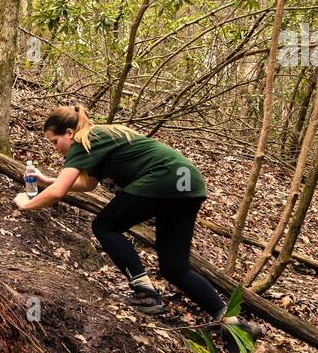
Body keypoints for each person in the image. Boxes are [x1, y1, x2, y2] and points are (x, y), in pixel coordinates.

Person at [13, 103, 241, 324]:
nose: (55, 147)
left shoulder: (83, 141)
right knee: (174, 268)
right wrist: (47, 180)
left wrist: (26, 204)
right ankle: (233, 323)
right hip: (187, 183)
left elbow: (58, 192)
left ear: (69, 133)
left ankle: (145, 292)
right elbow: (87, 184)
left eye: (55, 141)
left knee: (105, 226)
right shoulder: (98, 138)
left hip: (166, 177)